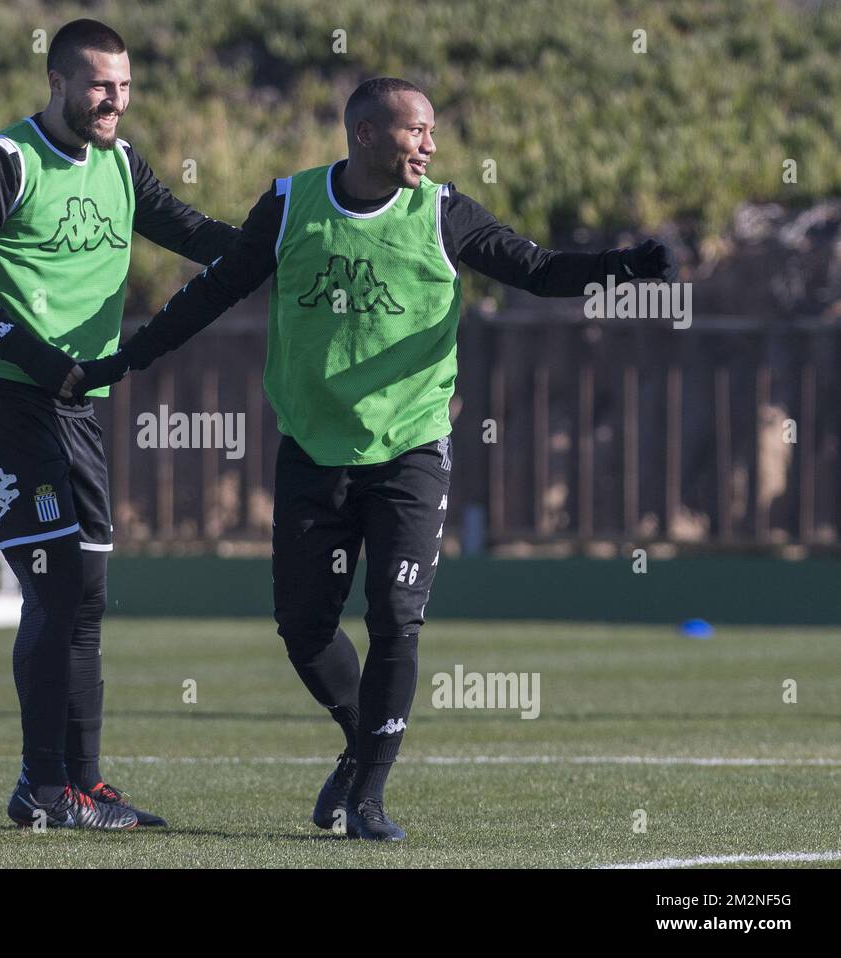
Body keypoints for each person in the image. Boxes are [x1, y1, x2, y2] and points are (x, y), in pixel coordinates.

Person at [78, 77, 678, 840]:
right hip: (313, 451)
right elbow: (216, 291)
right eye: (415, 130)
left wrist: (623, 264)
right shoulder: (291, 205)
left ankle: (368, 799)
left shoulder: (443, 212)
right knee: (303, 629)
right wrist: (127, 359)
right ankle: (360, 742)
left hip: (410, 451)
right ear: (364, 134)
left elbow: (537, 268)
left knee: (396, 619)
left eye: (432, 131)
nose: (429, 144)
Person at [0, 19, 239, 829]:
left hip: (78, 412)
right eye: (101, 85)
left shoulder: (121, 164)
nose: (115, 100)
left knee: (86, 597)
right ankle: (41, 786)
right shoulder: (7, 158)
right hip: (6, 404)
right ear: (58, 83)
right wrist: (37, 359)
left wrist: (283, 245)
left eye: (126, 87)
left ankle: (84, 783)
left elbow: (196, 234)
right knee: (56, 590)